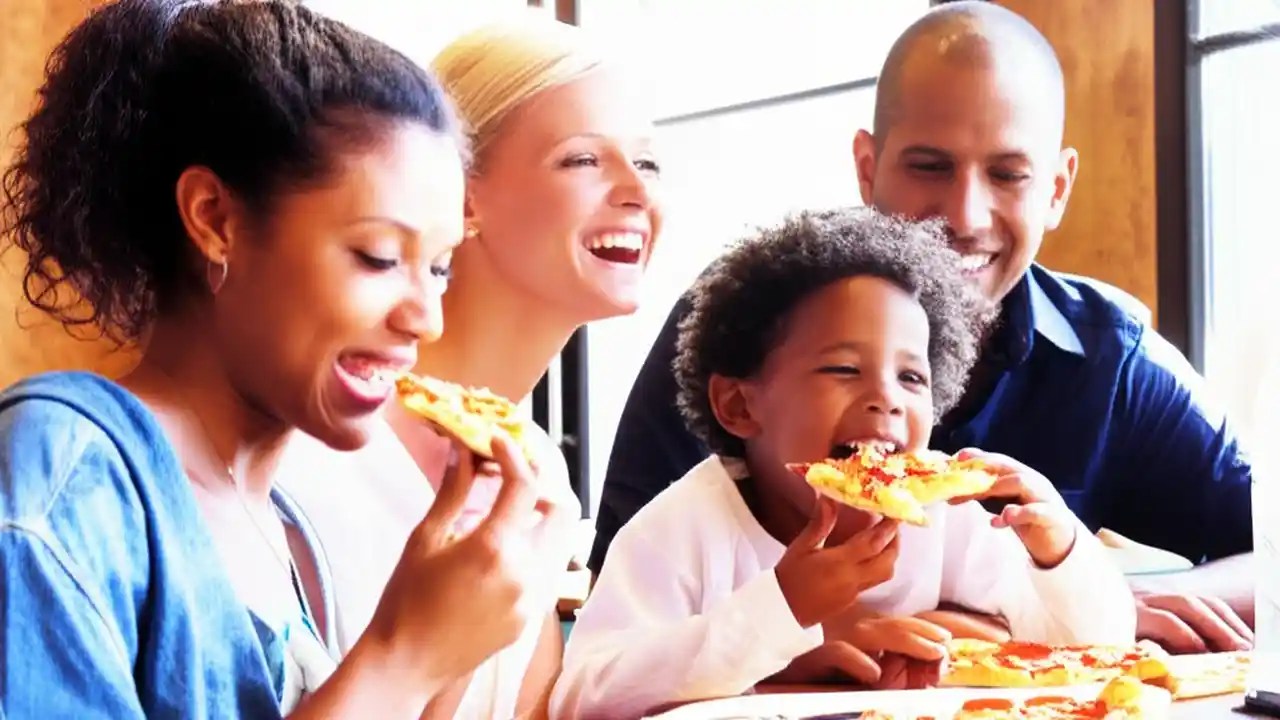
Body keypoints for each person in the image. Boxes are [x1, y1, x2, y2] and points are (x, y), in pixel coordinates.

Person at [589, 0, 1254, 655]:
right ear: (868, 168)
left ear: (1055, 188)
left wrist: (1103, 602)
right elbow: (623, 602)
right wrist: (812, 630)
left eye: (1007, 174)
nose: (963, 215)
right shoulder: (748, 323)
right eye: (930, 166)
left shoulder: (1114, 360)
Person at [0, 1, 553, 717]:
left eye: (440, 267)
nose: (426, 316)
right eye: (379, 257)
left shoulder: (284, 524)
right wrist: (403, 655)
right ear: (214, 219)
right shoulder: (65, 479)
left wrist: (451, 643)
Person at [552, 208, 1137, 719]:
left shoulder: (949, 517)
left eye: (911, 376)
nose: (886, 398)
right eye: (843, 370)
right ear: (739, 404)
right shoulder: (683, 528)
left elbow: (1096, 647)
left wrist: (1058, 551)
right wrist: (784, 616)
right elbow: (585, 694)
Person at [275, 11, 663, 719]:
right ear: (462, 193)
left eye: (648, 162)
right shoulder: (320, 444)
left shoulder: (536, 467)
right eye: (584, 159)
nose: (638, 192)